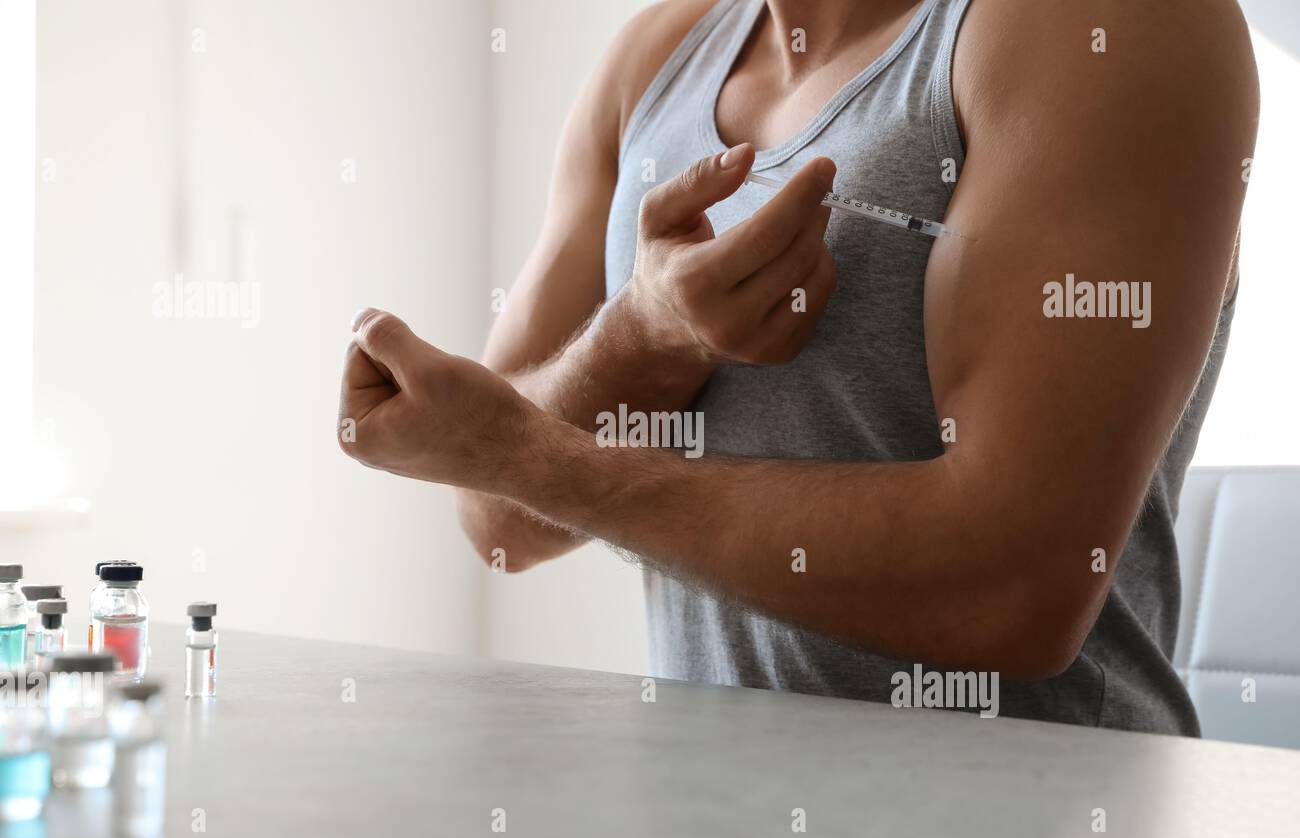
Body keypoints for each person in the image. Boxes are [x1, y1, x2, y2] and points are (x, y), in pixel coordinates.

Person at [337, 0, 1258, 734]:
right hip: (719, 825)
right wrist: (649, 334)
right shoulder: (652, 60)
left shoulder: (1112, 24)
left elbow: (1012, 591)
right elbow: (501, 522)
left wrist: (535, 458)